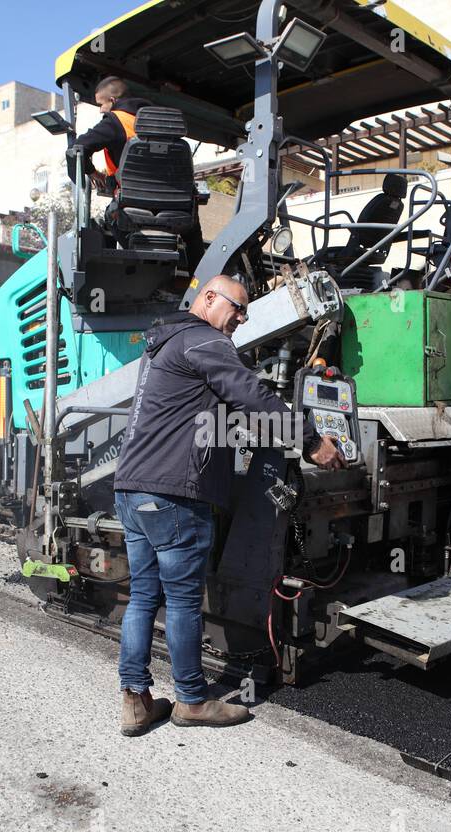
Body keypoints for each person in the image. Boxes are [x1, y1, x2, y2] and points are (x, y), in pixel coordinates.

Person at [112, 275, 343, 736]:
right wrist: (311, 440)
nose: (241, 320)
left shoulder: (162, 344)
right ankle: (193, 701)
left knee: (143, 596)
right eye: (238, 309)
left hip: (132, 488)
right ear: (209, 299)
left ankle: (135, 701)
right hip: (173, 493)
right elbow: (252, 395)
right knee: (180, 600)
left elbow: (206, 410)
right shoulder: (206, 342)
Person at [68, 76, 151, 195]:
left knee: (111, 213)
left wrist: (93, 173)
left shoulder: (116, 121)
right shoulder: (158, 121)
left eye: (101, 104)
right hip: (174, 200)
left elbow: (78, 147)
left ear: (113, 100)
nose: (101, 110)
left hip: (134, 197)